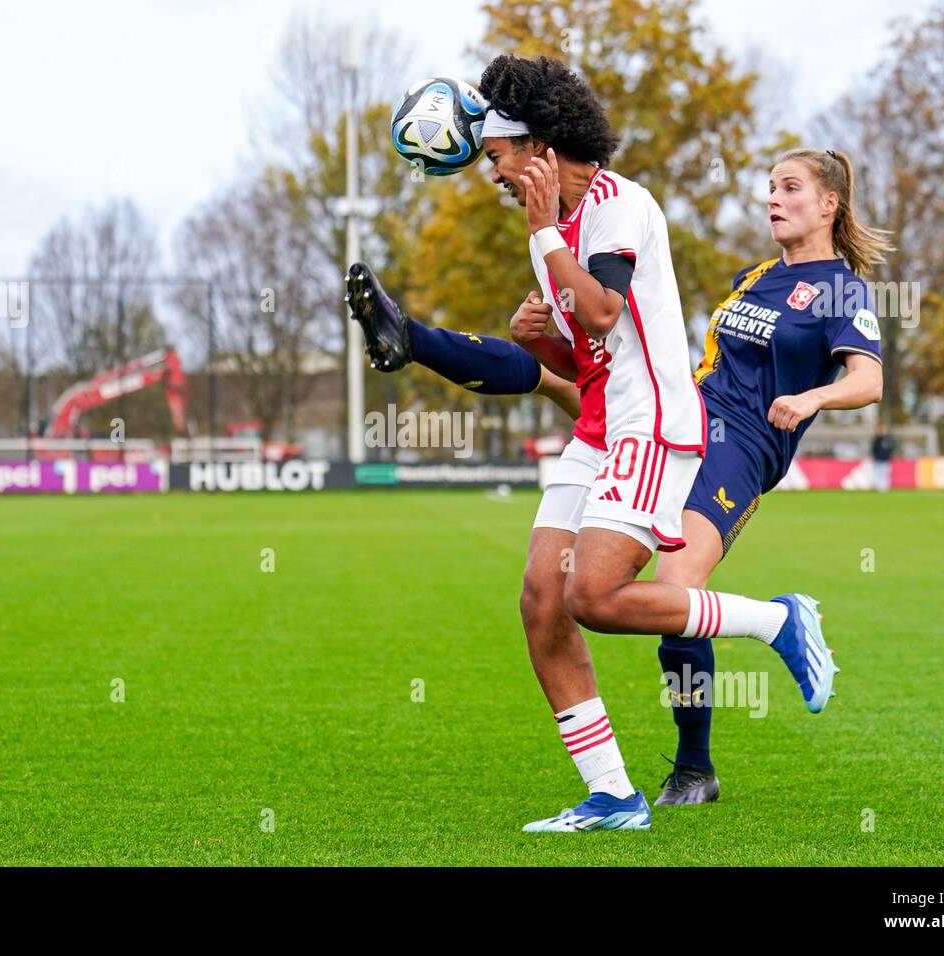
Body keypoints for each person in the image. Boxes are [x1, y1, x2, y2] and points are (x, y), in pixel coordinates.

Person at [350, 56, 850, 831]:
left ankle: (778, 622)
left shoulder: (617, 205)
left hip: (653, 426)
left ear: (540, 148)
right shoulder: (547, 230)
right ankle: (614, 796)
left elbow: (605, 312)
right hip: (600, 429)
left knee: (594, 597)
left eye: (497, 157)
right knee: (542, 603)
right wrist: (538, 336)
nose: (493, 173)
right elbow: (581, 357)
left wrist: (547, 243)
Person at [872, 424, 894, 493]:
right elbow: (874, 449)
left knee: (885, 474)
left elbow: (891, 448)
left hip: (886, 460)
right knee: (879, 474)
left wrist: (889, 456)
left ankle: (885, 488)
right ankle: (880, 488)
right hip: (879, 459)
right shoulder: (876, 439)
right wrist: (875, 457)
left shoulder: (888, 439)